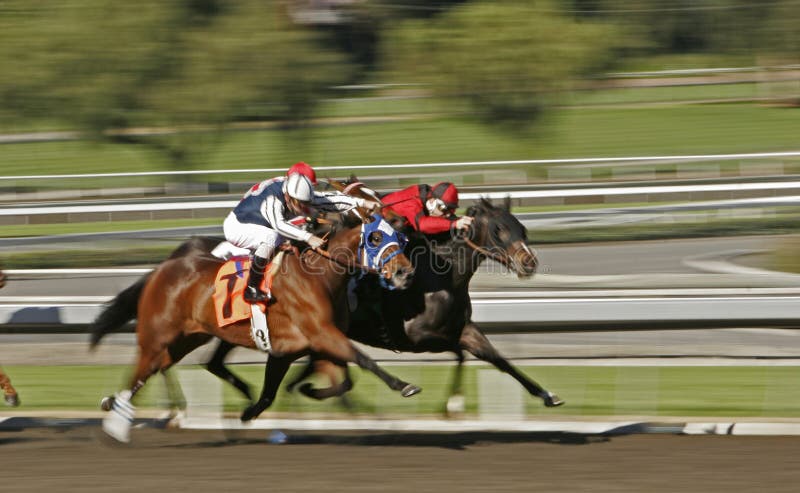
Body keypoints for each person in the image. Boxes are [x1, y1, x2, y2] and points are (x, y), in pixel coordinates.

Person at [223, 163, 380, 303]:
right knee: (272, 237)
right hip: (238, 226)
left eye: (304, 202)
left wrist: (362, 202)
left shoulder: (296, 190)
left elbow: (330, 201)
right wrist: (309, 237)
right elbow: (279, 225)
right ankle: (251, 288)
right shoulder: (273, 198)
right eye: (299, 203)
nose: (302, 207)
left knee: (289, 233)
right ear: (288, 196)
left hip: (259, 222)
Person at [381, 182, 473, 236]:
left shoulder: (429, 197)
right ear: (432, 201)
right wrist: (454, 223)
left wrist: (459, 220)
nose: (447, 214)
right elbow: (422, 225)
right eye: (445, 209)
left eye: (451, 209)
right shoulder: (413, 203)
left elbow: (448, 217)